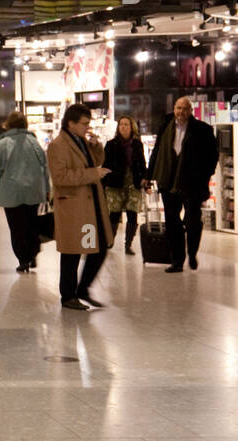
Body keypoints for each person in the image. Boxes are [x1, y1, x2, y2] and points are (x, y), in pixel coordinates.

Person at [47, 103, 114, 311]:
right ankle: (68, 295)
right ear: (71, 124)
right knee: (72, 252)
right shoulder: (58, 145)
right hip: (74, 207)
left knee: (99, 247)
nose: (88, 127)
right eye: (84, 124)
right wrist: (93, 174)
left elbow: (95, 161)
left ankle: (82, 289)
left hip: (90, 206)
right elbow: (60, 177)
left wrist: (95, 146)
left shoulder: (82, 141)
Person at [146, 96, 219, 273]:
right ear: (174, 108)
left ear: (190, 111)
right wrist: (148, 176)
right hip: (168, 181)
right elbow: (157, 152)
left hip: (193, 183)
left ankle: (192, 252)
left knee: (193, 221)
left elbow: (212, 156)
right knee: (172, 221)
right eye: (178, 108)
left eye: (184, 109)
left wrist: (204, 175)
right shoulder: (166, 127)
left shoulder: (202, 130)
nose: (180, 112)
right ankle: (177, 260)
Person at [0, 111, 50, 273]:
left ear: (9, 125)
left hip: (12, 193)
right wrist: (47, 190)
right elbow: (45, 168)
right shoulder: (34, 142)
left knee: (17, 228)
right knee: (31, 224)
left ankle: (23, 260)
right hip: (33, 192)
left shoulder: (4, 143)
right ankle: (32, 252)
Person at [103, 115, 148, 256]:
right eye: (121, 124)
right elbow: (106, 164)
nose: (123, 127)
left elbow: (142, 163)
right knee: (114, 214)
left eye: (126, 124)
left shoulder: (137, 144)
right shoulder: (111, 144)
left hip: (133, 182)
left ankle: (128, 244)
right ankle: (109, 241)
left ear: (131, 127)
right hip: (115, 183)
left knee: (132, 213)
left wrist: (145, 179)